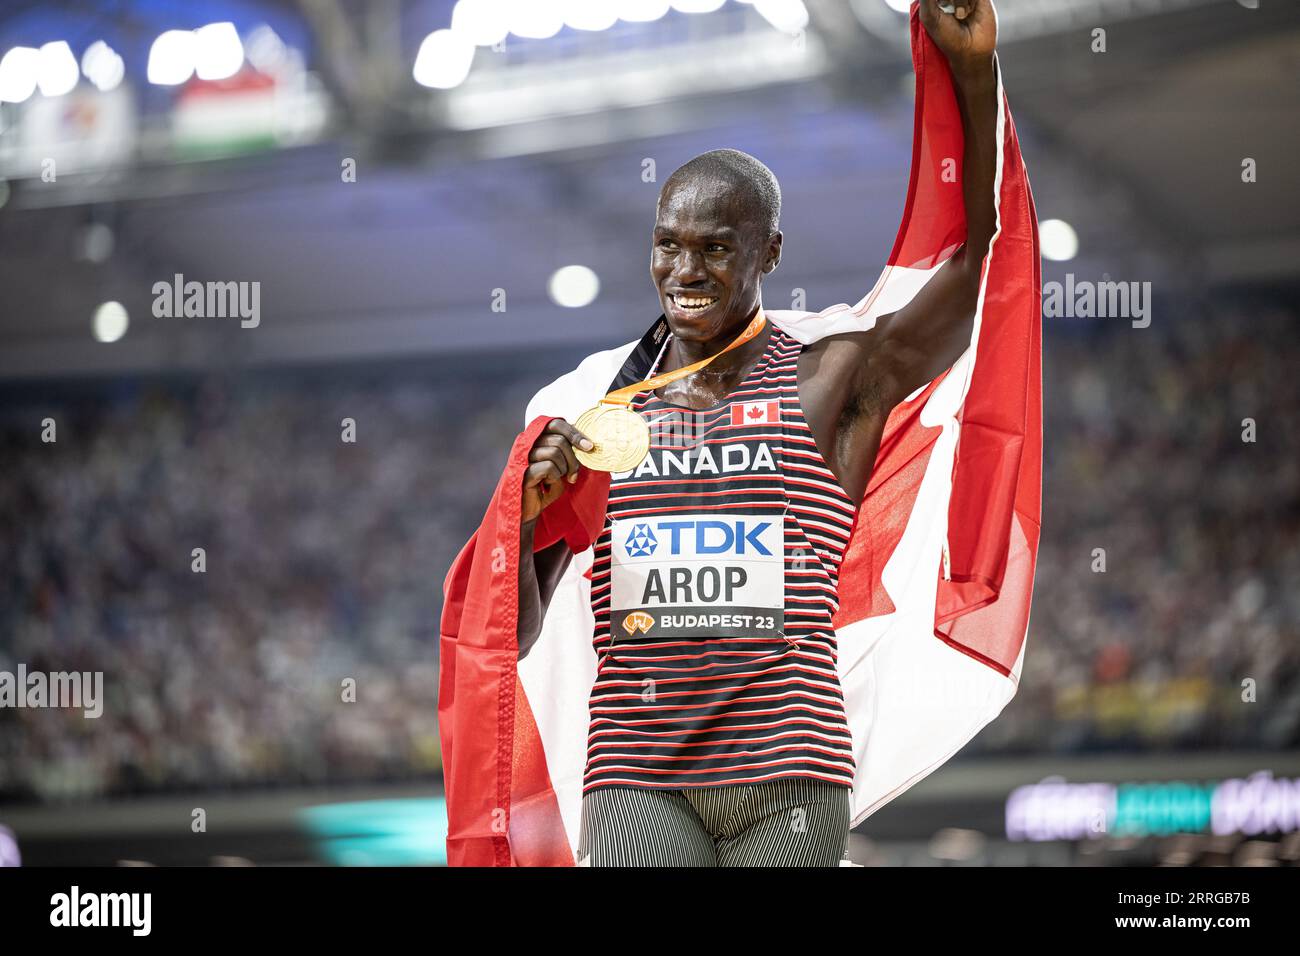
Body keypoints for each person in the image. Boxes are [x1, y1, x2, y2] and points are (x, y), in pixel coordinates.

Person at [511, 0, 1002, 866]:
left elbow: (971, 273)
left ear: (769, 253)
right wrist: (521, 525)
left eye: (714, 247)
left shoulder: (833, 377)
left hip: (795, 771)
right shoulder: (597, 408)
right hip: (639, 770)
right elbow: (513, 629)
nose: (684, 271)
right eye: (667, 245)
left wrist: (971, 73)